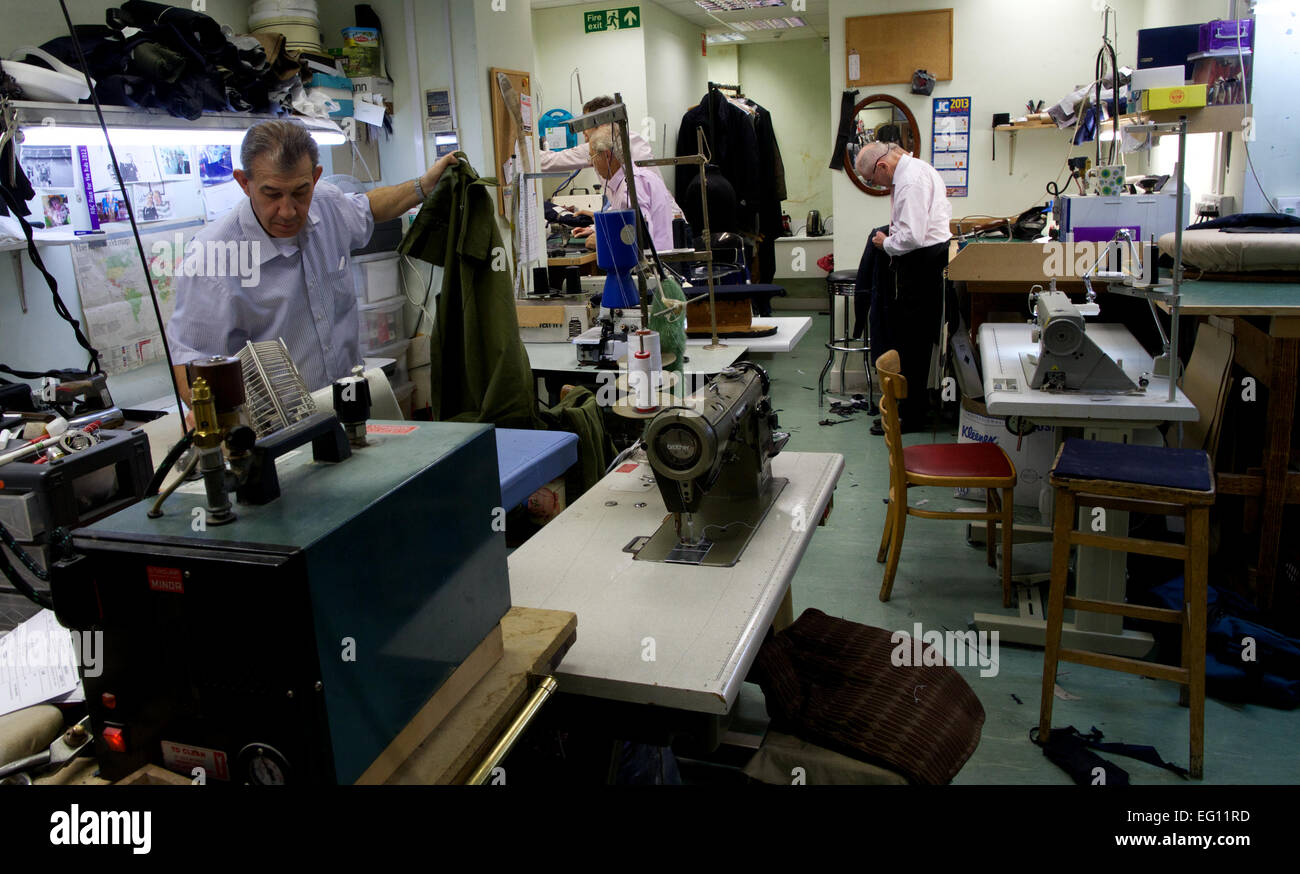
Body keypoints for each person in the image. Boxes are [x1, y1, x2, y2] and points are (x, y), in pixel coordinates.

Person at [167, 119, 459, 400]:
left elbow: (368, 208)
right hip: (275, 431)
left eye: (300, 192)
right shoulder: (213, 257)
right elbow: (192, 362)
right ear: (244, 183)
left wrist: (423, 187)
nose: (288, 210)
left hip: (348, 402)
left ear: (316, 178)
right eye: (272, 194)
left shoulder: (328, 205)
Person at [854, 141, 952, 432]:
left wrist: (886, 243)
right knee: (914, 341)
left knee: (911, 343)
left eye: (874, 180)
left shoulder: (910, 182)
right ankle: (911, 411)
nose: (878, 185)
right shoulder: (919, 169)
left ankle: (910, 416)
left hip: (921, 265)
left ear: (882, 167)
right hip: (926, 261)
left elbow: (912, 238)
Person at [575, 129, 674, 253]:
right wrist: (597, 226)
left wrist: (603, 241)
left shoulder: (632, 185)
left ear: (607, 155)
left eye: (593, 157)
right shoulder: (628, 181)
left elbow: (641, 237)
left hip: (653, 267)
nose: (592, 163)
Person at [538, 95, 654, 171]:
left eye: (586, 125)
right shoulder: (634, 137)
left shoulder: (602, 145)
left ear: (602, 123)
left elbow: (548, 161)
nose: (583, 131)